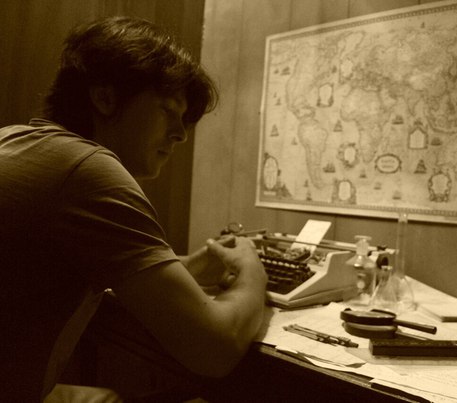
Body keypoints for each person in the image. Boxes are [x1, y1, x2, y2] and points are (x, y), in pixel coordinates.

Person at [0, 16, 268, 402]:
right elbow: (214, 348)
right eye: (168, 111)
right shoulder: (89, 170)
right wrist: (252, 272)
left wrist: (189, 267)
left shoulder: (17, 139)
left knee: (108, 397)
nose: (180, 134)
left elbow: (83, 268)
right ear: (105, 98)